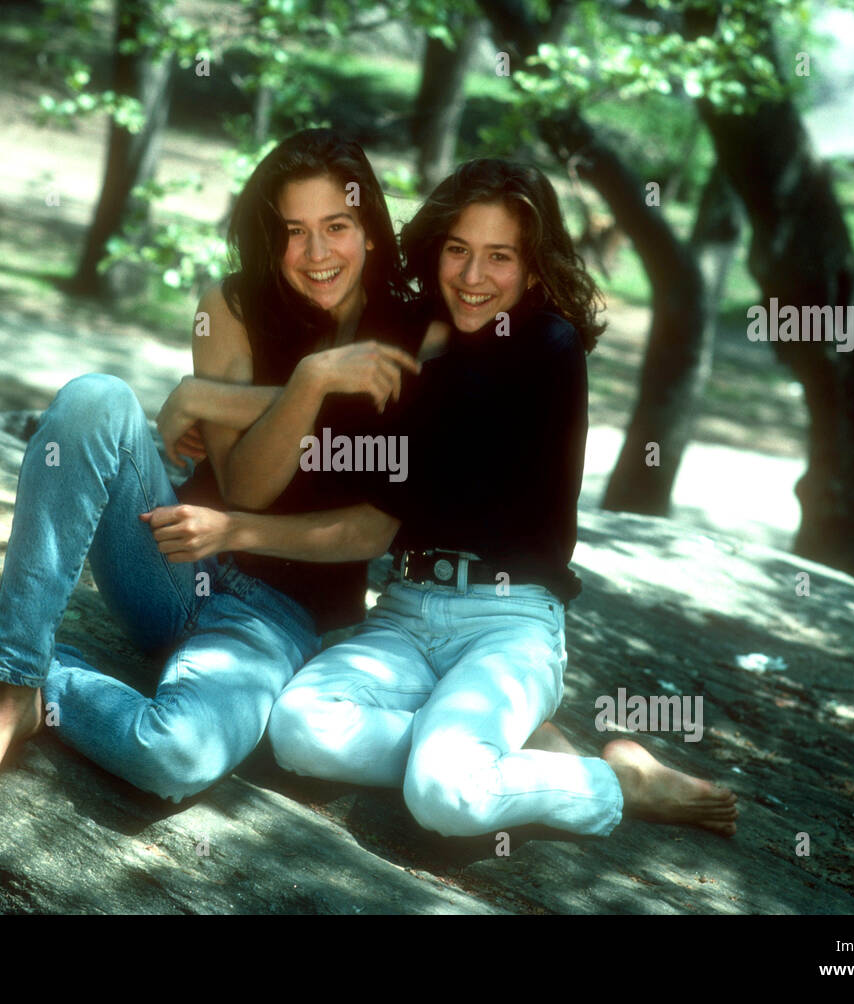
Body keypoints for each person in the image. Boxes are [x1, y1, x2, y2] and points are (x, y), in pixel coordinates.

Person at [147, 159, 739, 838]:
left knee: (445, 794)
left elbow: (355, 426)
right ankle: (502, 750)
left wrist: (205, 401)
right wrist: (251, 402)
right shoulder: (431, 338)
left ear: (534, 269)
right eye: (458, 249)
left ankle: (611, 785)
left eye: (500, 256)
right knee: (298, 728)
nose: (473, 275)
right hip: (406, 612)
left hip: (508, 623)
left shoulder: (544, 347)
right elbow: (343, 409)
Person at [0, 128, 421, 806]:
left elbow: (370, 531)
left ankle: (36, 680)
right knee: (96, 399)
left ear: (370, 230)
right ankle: (12, 676)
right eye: (293, 231)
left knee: (174, 756)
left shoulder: (416, 330)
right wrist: (314, 382)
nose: (316, 254)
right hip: (168, 565)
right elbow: (247, 483)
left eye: (336, 226)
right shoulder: (232, 307)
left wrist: (221, 396)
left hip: (277, 622)